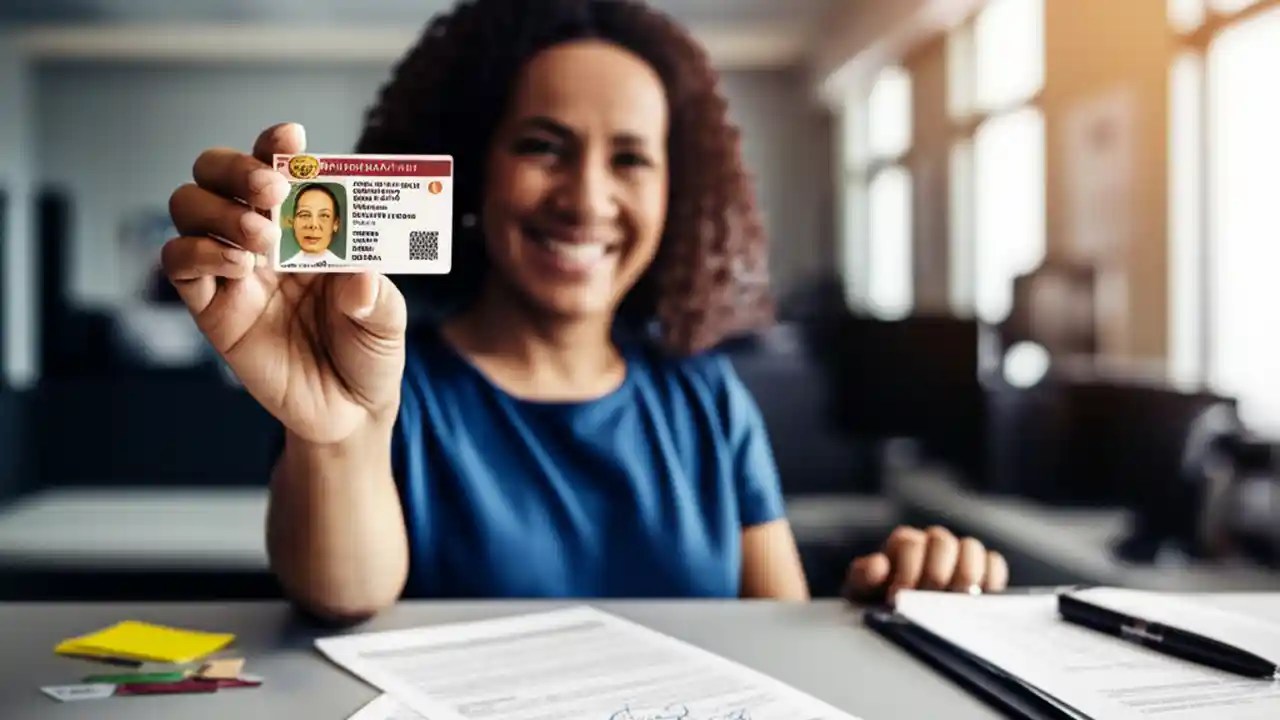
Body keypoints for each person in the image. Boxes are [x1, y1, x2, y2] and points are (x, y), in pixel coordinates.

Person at [161, 0, 1008, 621]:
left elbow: (775, 637)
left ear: (678, 195)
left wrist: (881, 609)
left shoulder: (707, 401)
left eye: (631, 159)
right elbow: (337, 596)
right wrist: (340, 433)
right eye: (542, 146)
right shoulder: (378, 386)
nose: (587, 198)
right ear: (474, 171)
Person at [281, 183, 344, 266]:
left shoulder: (346, 269)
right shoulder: (283, 268)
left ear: (335, 224)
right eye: (305, 215)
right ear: (293, 222)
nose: (313, 225)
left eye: (324, 215)